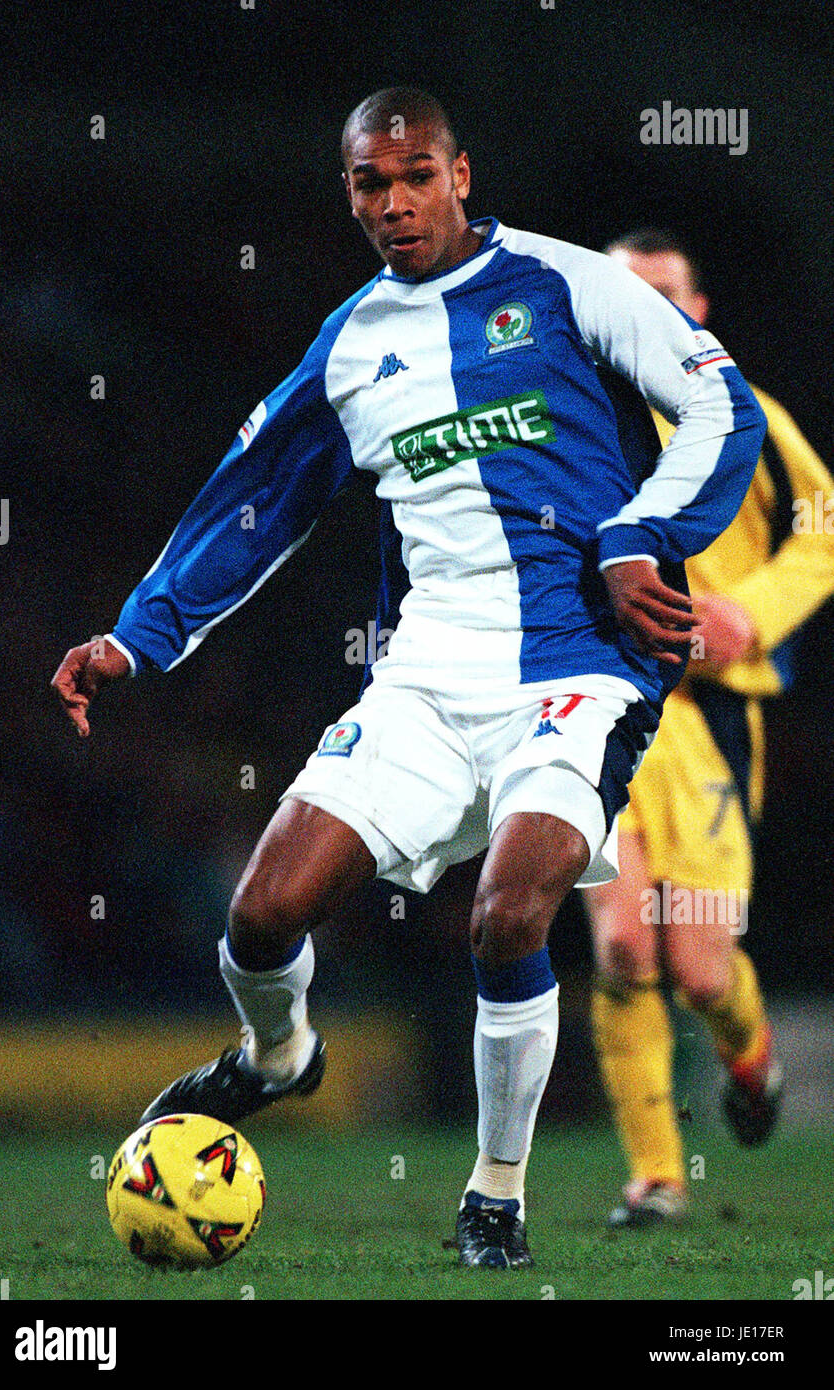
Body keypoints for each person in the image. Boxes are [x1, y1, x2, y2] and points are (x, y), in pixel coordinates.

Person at [51, 91, 766, 1269]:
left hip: (581, 664)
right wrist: (136, 635)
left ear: (460, 174)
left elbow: (714, 406)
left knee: (506, 909)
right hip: (426, 678)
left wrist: (640, 531)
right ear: (347, 193)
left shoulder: (564, 283)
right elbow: (256, 496)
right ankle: (279, 1056)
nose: (392, 203)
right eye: (367, 185)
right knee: (261, 913)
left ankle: (494, 1189)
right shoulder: (351, 342)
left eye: (413, 177)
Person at [584, 227, 834, 1228]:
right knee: (620, 950)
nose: (642, 313)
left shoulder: (745, 418)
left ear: (696, 313)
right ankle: (654, 1175)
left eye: (661, 295)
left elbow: (822, 522)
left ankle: (750, 1054)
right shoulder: (567, 423)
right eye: (621, 297)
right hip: (596, 712)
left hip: (709, 720)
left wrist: (751, 615)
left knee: (696, 967)